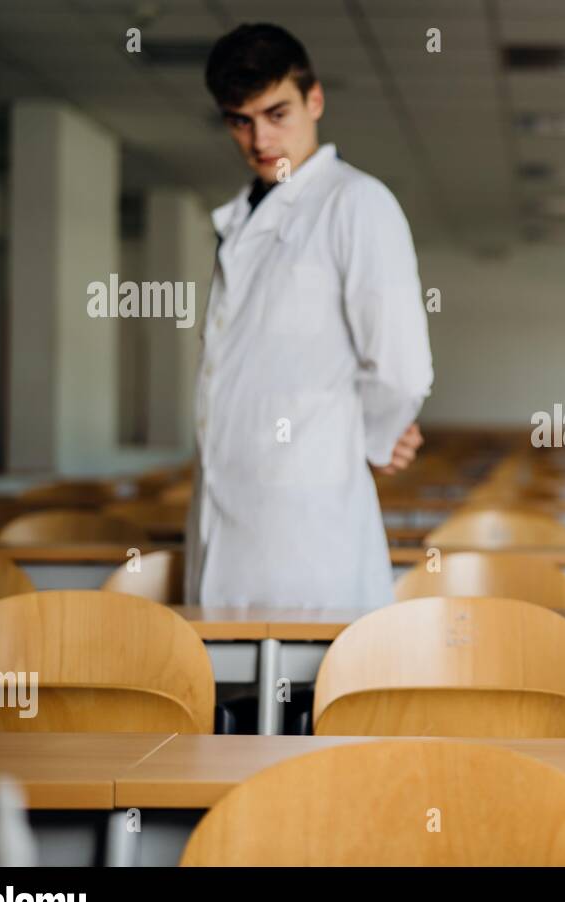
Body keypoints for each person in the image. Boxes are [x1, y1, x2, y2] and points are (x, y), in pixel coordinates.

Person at [186, 23, 432, 609]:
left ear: (314, 99)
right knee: (222, 692)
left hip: (307, 527)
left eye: (277, 113)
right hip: (223, 515)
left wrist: (373, 440)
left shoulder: (357, 203)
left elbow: (401, 369)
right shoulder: (239, 220)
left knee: (310, 690)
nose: (261, 138)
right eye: (240, 121)